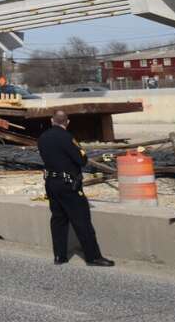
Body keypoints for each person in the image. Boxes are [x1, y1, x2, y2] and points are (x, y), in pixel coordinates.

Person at [37, 110, 114, 267]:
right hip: (68, 185)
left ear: (52, 121)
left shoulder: (43, 137)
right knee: (82, 221)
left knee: (58, 219)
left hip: (51, 183)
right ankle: (93, 257)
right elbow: (82, 159)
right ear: (67, 122)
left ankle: (60, 256)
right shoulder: (67, 138)